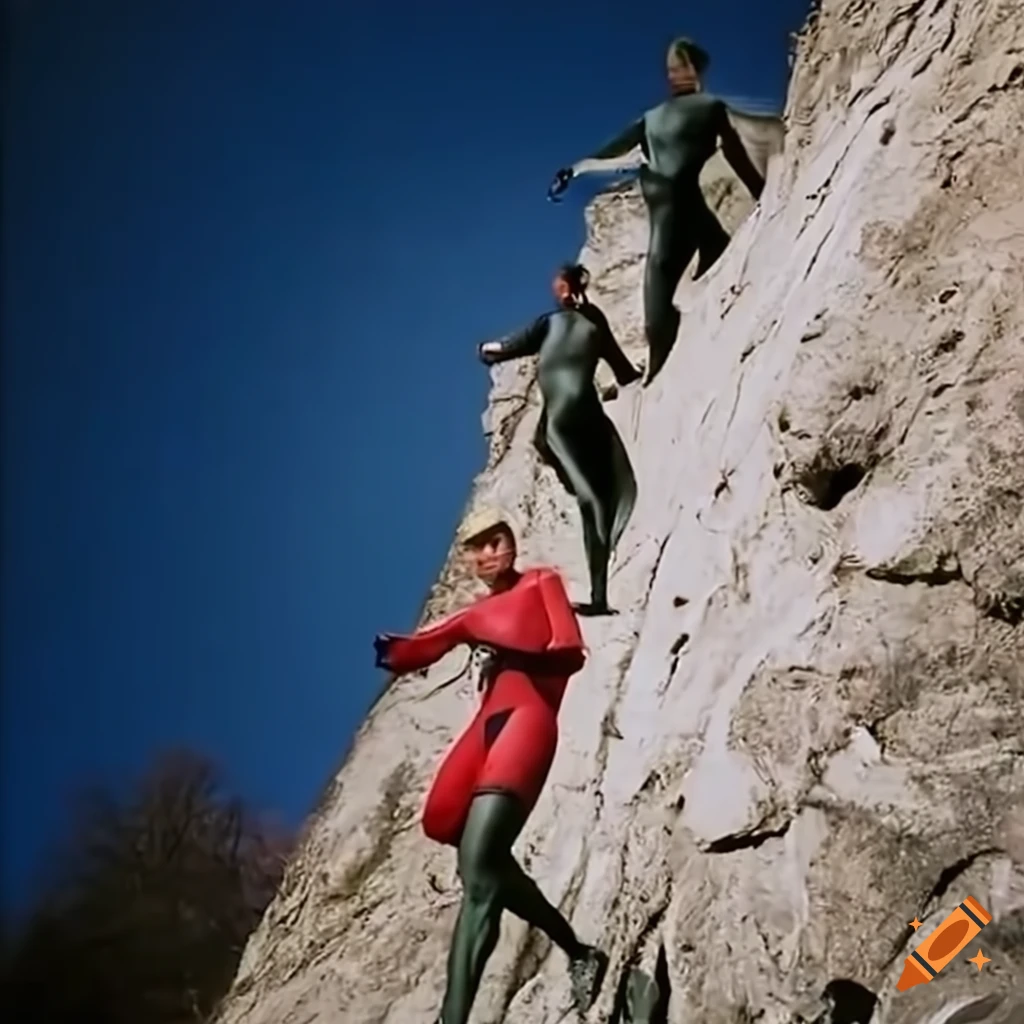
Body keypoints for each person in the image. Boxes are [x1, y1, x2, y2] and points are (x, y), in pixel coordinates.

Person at [373, 508, 608, 1024]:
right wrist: (395, 651)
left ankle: (451, 1018)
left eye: (495, 541)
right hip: (487, 726)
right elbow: (436, 639)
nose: (487, 554)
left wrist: (503, 644)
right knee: (447, 826)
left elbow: (569, 652)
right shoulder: (476, 617)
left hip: (527, 722)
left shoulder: (542, 581)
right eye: (476, 548)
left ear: (512, 542)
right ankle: (579, 951)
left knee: (479, 871)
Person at [549, 37, 767, 385]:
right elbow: (613, 149)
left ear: (696, 72)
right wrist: (575, 170)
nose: (676, 75)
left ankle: (665, 355)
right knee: (700, 245)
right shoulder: (653, 119)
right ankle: (711, 265)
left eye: (683, 68)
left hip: (673, 208)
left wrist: (764, 196)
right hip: (681, 208)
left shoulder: (709, 108)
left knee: (659, 288)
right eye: (672, 70)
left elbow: (736, 153)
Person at [478, 264, 640, 616]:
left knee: (583, 494)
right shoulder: (596, 325)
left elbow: (506, 346)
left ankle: (598, 587)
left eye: (557, 283)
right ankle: (599, 591)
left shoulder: (549, 323)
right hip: (590, 414)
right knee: (596, 494)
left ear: (565, 288)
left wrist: (486, 349)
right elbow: (625, 371)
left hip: (562, 420)